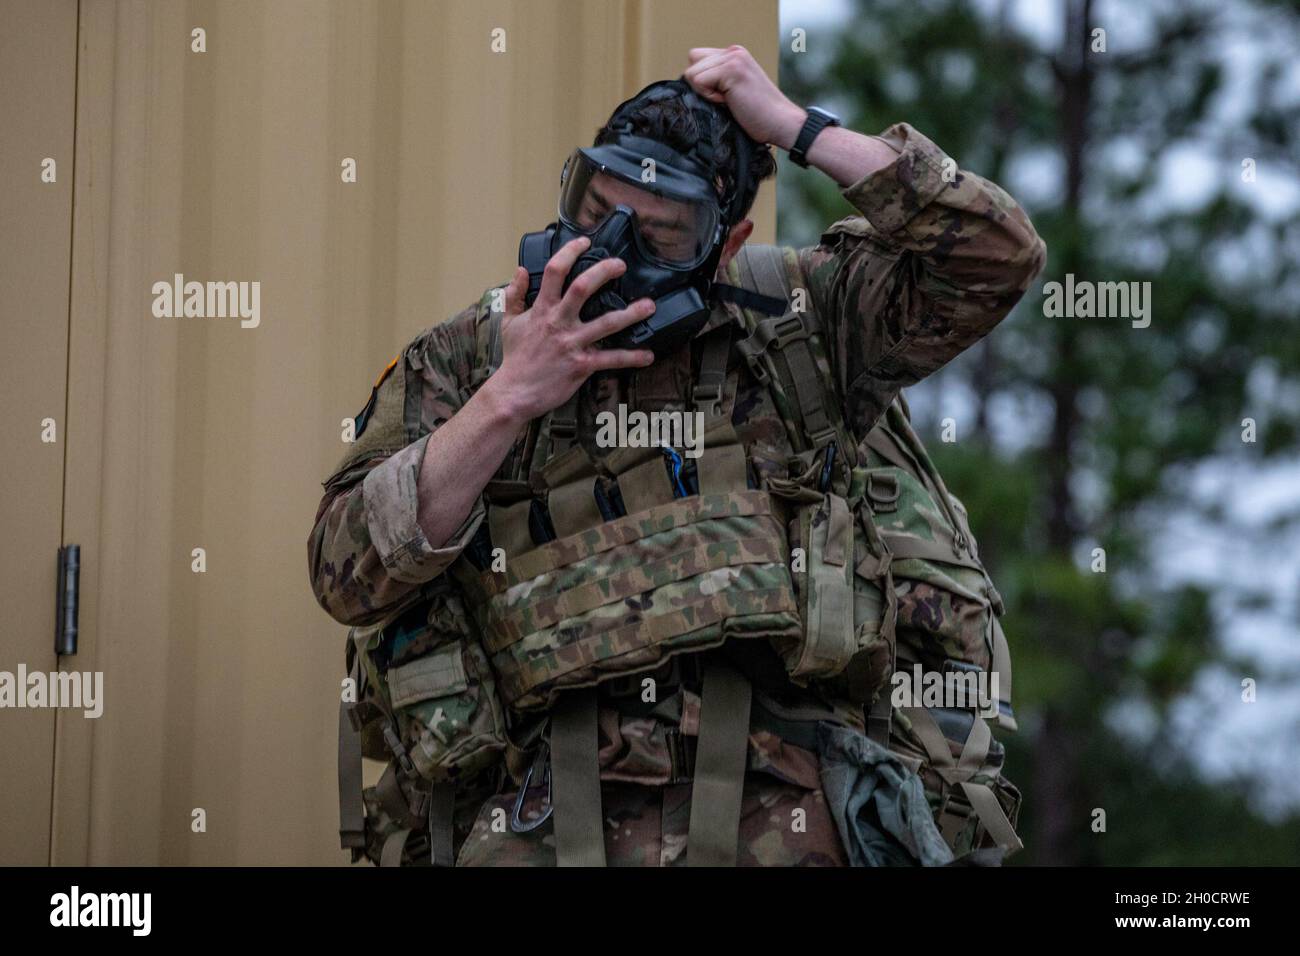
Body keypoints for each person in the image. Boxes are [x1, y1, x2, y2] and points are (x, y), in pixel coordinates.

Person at [311, 45, 1046, 867]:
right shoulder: (470, 356)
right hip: (539, 817)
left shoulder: (804, 321)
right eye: (594, 212)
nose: (612, 253)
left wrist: (797, 128)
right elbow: (345, 573)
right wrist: (511, 394)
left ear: (726, 242)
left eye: (662, 233)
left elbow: (996, 255)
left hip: (787, 816)